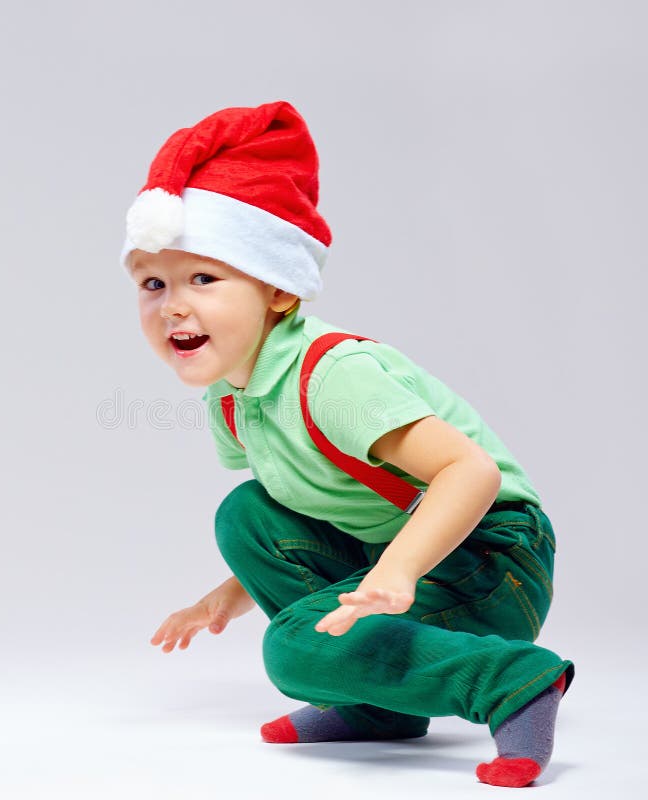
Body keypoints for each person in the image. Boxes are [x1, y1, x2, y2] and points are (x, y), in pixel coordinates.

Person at [120, 100, 575, 788]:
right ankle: (378, 708)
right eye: (153, 283)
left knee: (292, 651)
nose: (173, 305)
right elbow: (309, 514)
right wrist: (224, 598)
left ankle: (515, 679)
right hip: (395, 550)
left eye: (203, 279)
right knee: (247, 513)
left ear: (277, 291)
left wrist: (396, 574)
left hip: (491, 557)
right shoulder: (233, 398)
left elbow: (469, 473)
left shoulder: (334, 376)